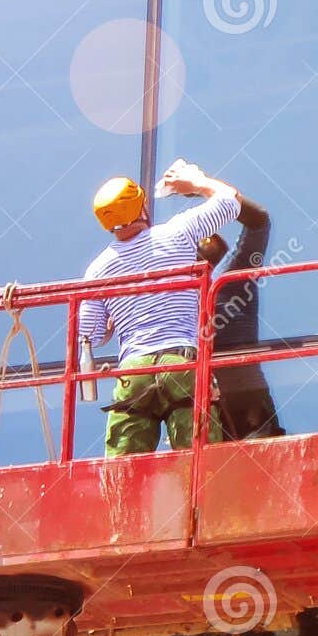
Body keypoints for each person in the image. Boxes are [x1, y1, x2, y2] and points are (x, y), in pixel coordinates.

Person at [77, 161, 242, 456]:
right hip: (181, 363)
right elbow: (231, 201)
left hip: (134, 372)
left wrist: (121, 312)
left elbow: (91, 334)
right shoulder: (178, 232)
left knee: (123, 471)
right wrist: (197, 181)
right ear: (142, 208)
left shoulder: (98, 269)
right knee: (200, 462)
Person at [196, 195, 283, 440]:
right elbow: (259, 223)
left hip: (237, 402)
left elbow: (258, 224)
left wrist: (205, 187)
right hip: (232, 400)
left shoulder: (228, 278)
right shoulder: (187, 300)